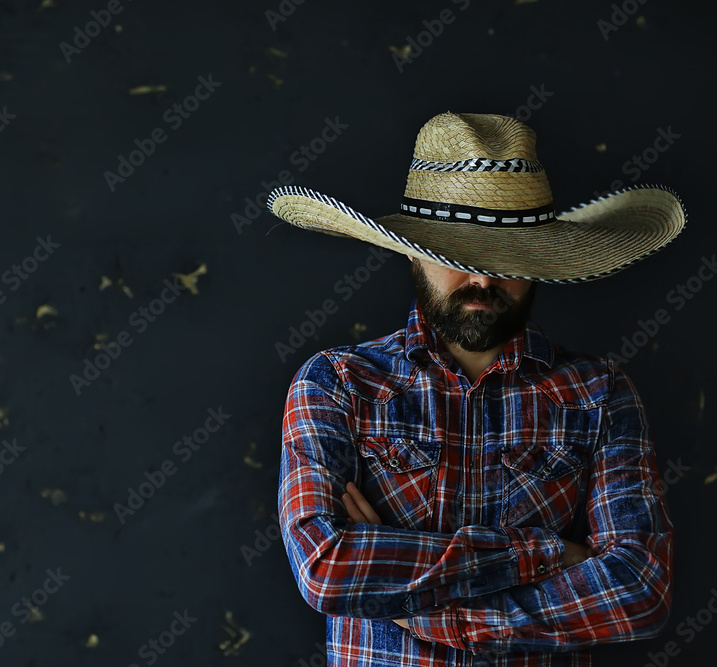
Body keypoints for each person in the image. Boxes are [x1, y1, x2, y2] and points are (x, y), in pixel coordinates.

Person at [268, 112, 686, 666]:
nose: (483, 280)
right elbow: (326, 568)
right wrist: (545, 553)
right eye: (455, 257)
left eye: (506, 256)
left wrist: (428, 613)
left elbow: (639, 589)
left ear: (539, 263)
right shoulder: (339, 384)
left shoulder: (599, 394)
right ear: (412, 252)